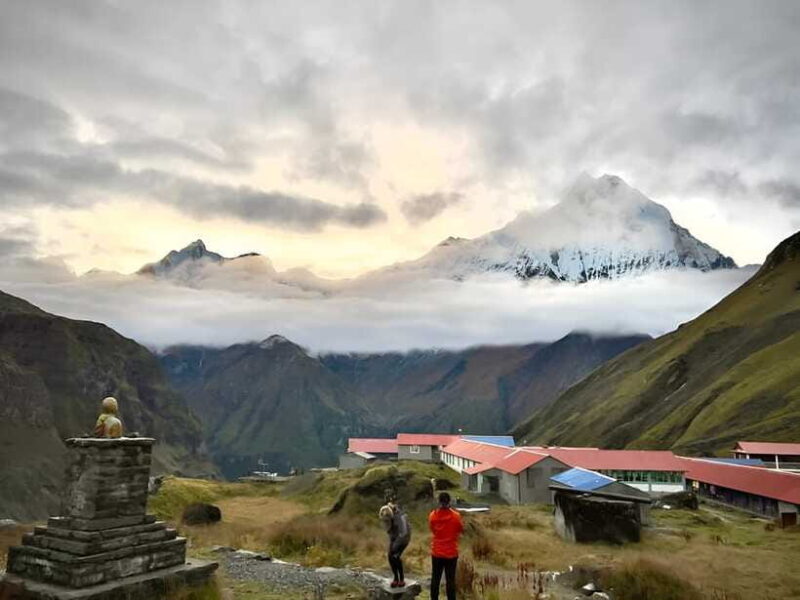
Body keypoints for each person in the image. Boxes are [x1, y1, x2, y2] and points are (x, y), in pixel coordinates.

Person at [429, 491, 463, 600]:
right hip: (451, 553)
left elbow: (433, 530)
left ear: (438, 501)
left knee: (435, 579)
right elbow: (459, 530)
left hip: (437, 552)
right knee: (450, 581)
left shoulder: (432, 516)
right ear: (449, 501)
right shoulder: (456, 516)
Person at [378, 493, 411, 588]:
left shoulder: (400, 517)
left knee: (395, 556)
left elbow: (403, 533)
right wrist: (392, 542)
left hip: (404, 537)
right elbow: (389, 530)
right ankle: (395, 578)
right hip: (394, 536)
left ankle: (401, 579)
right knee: (390, 556)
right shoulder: (386, 512)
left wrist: (396, 546)